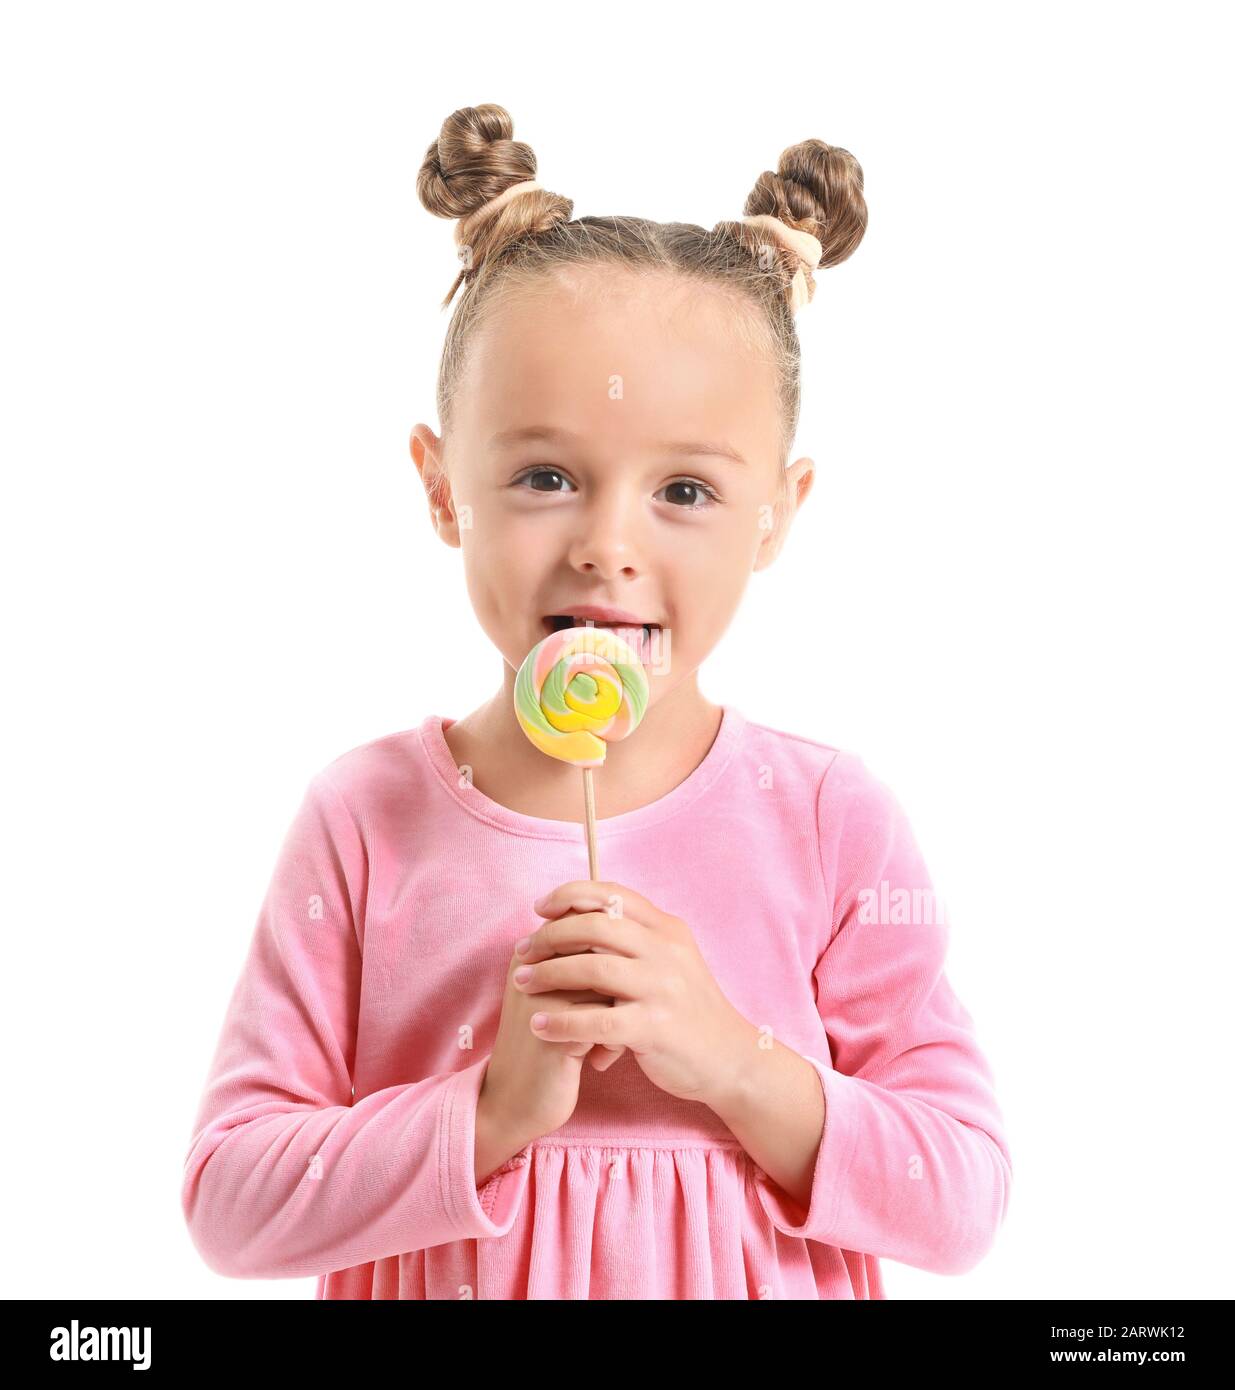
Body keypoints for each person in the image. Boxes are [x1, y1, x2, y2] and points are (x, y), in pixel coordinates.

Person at [180, 103, 1012, 1300]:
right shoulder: (365, 815)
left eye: (683, 487)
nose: (606, 545)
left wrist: (730, 1059)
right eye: (544, 476)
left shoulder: (828, 816)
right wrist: (491, 1108)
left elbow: (962, 1195)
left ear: (776, 510)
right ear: (439, 486)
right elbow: (231, 1203)